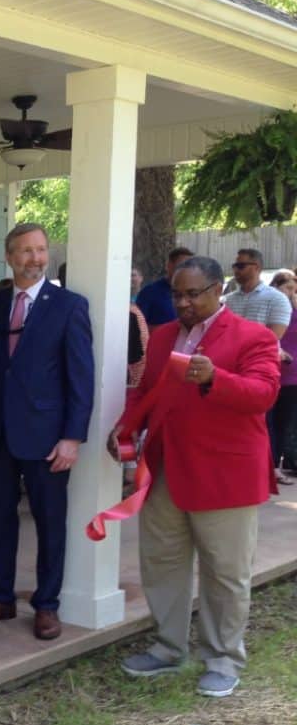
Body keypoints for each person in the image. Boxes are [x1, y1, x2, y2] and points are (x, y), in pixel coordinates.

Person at [112, 256, 279, 698]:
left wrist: (215, 379)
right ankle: (169, 647)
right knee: (162, 561)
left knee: (225, 572)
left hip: (225, 475)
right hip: (166, 469)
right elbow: (146, 394)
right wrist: (124, 431)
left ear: (217, 289)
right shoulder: (166, 336)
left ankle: (222, 659)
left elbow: (264, 394)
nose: (183, 303)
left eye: (193, 294)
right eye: (176, 294)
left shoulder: (253, 337)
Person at [0, 222, 95, 641]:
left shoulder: (68, 306)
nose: (34, 258)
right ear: (9, 256)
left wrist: (73, 437)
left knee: (50, 522)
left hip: (48, 438)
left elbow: (81, 378)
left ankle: (47, 605)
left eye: (40, 250)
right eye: (24, 251)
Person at [224, 248, 292, 485]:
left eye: (241, 265)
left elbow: (272, 338)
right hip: (228, 370)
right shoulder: (227, 301)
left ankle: (261, 473)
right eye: (235, 265)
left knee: (259, 423)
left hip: (259, 371)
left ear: (257, 267)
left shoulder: (277, 299)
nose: (236, 269)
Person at [271, 270, 297, 476]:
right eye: (287, 286)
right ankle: (270, 465)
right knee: (269, 422)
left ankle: (283, 463)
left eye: (293, 287)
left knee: (285, 422)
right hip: (273, 371)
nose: (291, 291)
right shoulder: (273, 306)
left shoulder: (294, 308)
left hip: (293, 375)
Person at [135, 246, 194, 330]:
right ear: (168, 266)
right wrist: (169, 330)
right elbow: (138, 327)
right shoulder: (150, 292)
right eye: (182, 266)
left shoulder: (196, 294)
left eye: (190, 267)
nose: (186, 271)